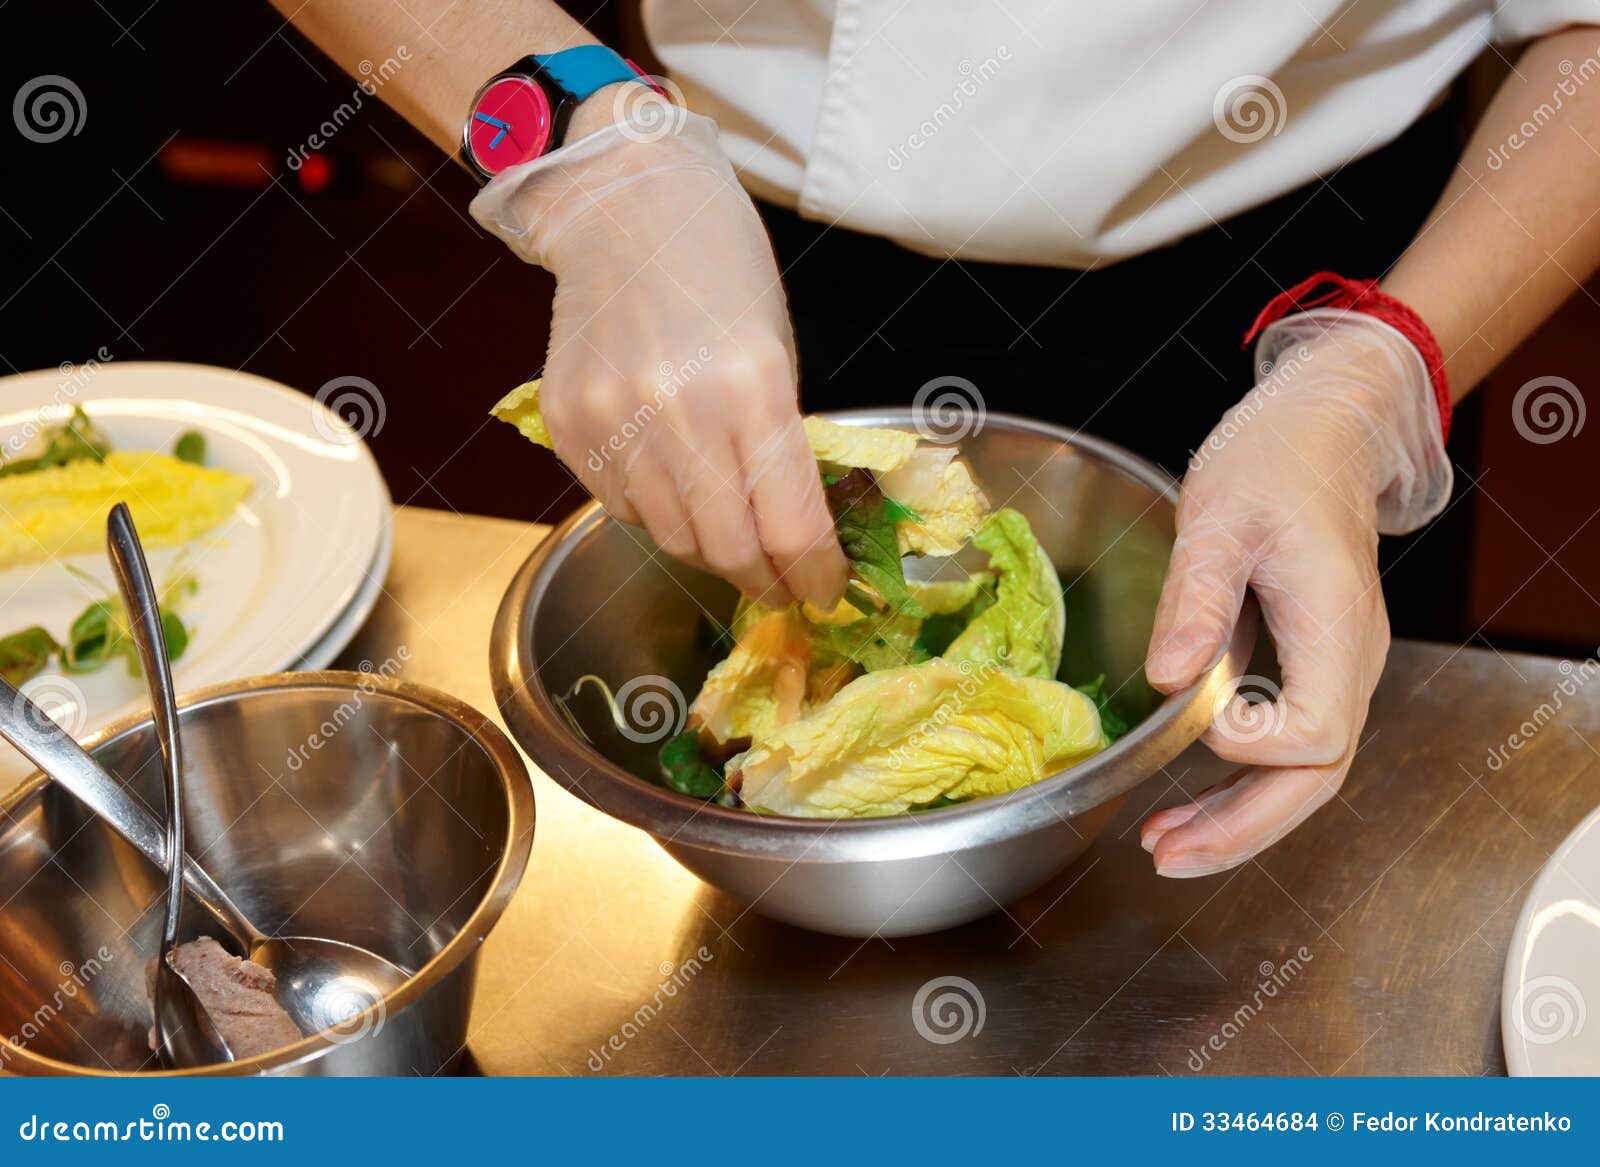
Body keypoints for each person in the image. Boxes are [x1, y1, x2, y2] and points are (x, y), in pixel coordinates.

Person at [276, 1, 1600, 876]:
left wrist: (1370, 384)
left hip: (1334, 295)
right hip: (737, 254)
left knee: (1303, 883)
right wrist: (591, 160)